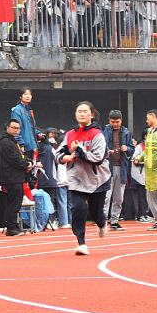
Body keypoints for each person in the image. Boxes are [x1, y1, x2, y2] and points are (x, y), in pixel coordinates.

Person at [59, 100, 110, 255]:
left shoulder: (97, 134)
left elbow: (98, 158)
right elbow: (59, 153)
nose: (81, 114)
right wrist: (66, 157)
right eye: (79, 111)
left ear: (91, 114)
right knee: (78, 208)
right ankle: (81, 243)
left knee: (96, 213)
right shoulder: (70, 134)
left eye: (85, 111)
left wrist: (79, 150)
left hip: (97, 180)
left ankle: (101, 223)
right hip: (76, 179)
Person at [0, 118, 31, 236]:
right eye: (14, 128)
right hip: (11, 177)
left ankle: (13, 226)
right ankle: (11, 227)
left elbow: (19, 157)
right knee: (14, 202)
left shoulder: (11, 141)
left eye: (18, 128)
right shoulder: (6, 142)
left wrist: (27, 162)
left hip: (15, 176)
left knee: (16, 202)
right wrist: (26, 165)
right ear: (7, 128)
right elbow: (14, 159)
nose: (16, 130)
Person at [102, 110, 132, 230]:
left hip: (121, 167)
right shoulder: (104, 131)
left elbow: (132, 148)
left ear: (121, 121)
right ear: (109, 121)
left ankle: (114, 221)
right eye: (113, 122)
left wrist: (127, 148)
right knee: (106, 196)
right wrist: (106, 151)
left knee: (119, 197)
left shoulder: (126, 132)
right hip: (107, 167)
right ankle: (103, 220)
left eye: (117, 122)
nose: (115, 124)